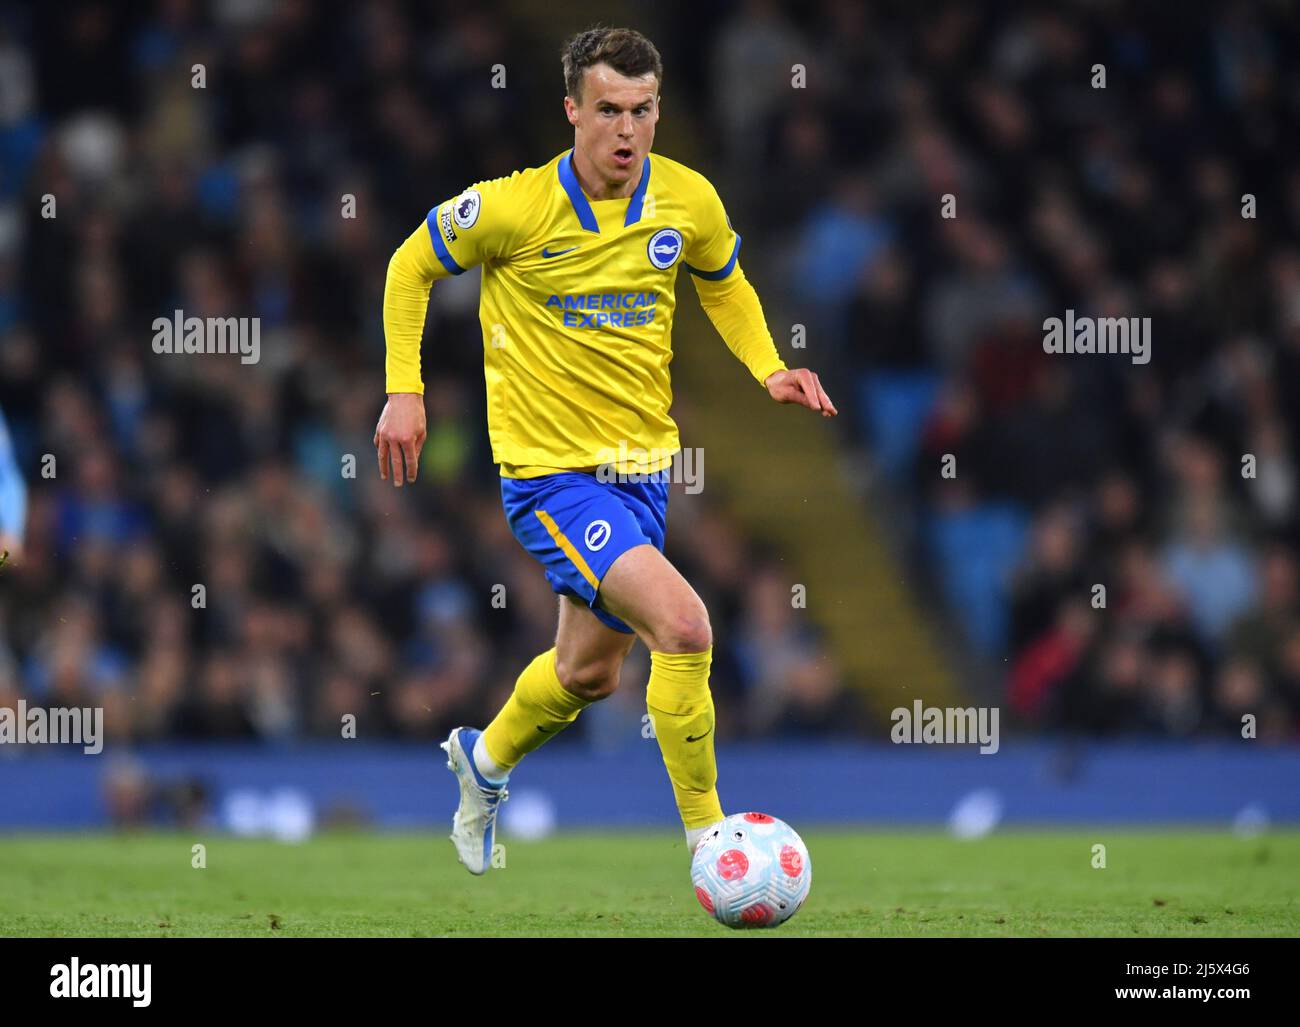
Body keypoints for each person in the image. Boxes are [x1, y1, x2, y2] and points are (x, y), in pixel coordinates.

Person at [375, 26, 836, 875]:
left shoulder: (686, 199)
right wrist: (406, 388)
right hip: (549, 475)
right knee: (686, 626)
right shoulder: (512, 208)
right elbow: (411, 266)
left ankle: (482, 763)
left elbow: (723, 279)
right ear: (572, 113)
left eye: (644, 110)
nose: (628, 130)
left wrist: (770, 366)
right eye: (609, 111)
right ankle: (712, 841)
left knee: (585, 674)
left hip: (641, 474)